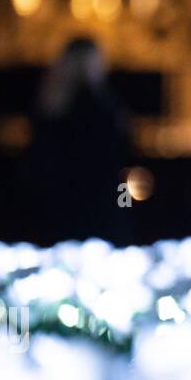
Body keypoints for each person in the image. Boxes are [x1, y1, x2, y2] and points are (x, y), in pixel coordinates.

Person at [27, 37, 134, 245]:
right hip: (97, 207)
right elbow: (118, 152)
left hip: (57, 208)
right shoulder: (103, 106)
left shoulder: (49, 105)